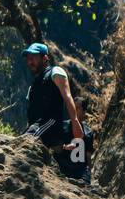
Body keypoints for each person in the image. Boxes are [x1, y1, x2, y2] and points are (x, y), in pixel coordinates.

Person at [23, 42, 92, 183]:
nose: (30, 61)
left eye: (34, 57)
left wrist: (76, 123)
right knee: (25, 143)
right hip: (38, 126)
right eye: (28, 57)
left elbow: (67, 97)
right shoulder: (35, 84)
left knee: (25, 142)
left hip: (50, 123)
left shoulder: (55, 72)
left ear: (45, 58)